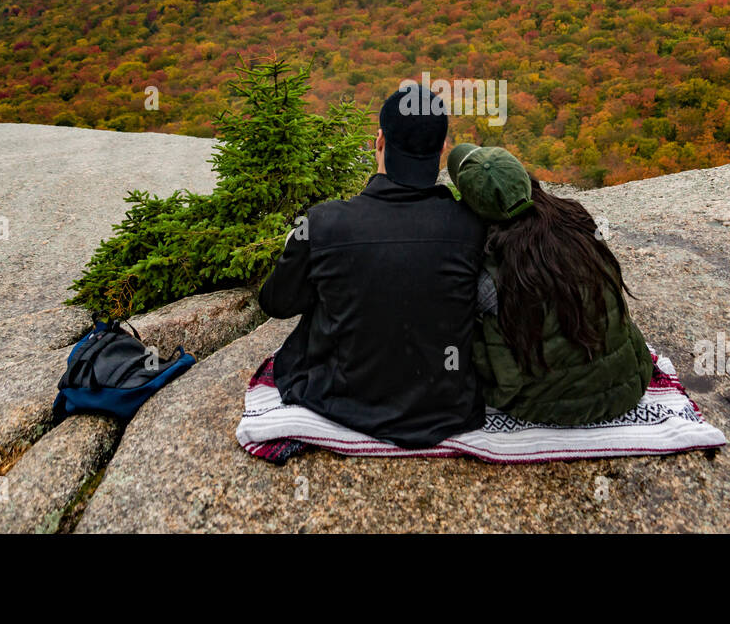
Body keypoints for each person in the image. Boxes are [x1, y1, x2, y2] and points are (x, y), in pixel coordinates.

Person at [257, 84, 486, 448]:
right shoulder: (472, 227)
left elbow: (275, 302)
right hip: (448, 405)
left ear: (378, 141)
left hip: (340, 398)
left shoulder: (325, 223)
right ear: (443, 149)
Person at [447, 144, 654, 425]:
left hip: (547, 406)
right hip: (628, 381)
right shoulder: (576, 218)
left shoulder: (491, 265)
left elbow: (499, 372)